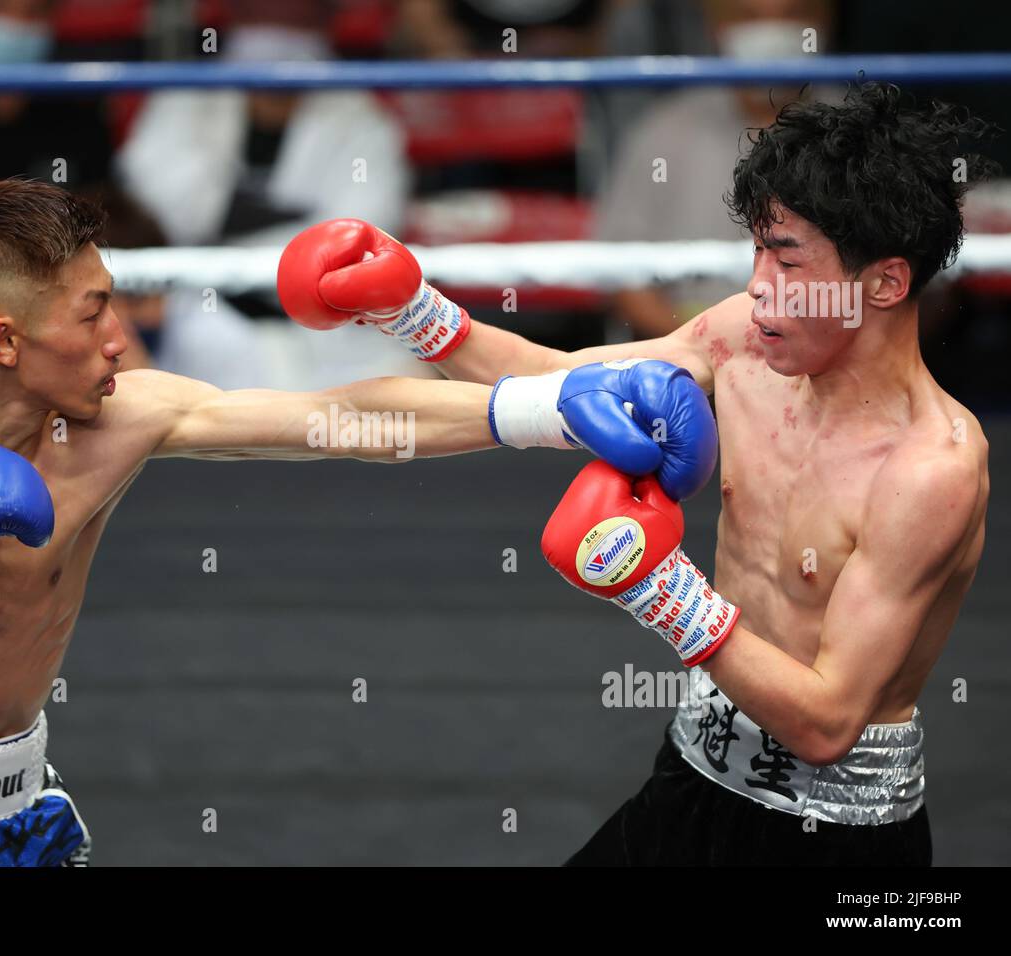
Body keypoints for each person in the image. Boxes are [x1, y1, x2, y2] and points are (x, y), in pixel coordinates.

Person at [0, 178, 716, 866]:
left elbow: (337, 424)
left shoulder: (121, 419)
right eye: (91, 314)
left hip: (6, 815)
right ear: (3, 338)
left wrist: (551, 407)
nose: (123, 335)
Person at [280, 83, 992, 865]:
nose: (758, 285)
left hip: (834, 840)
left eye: (787, 261)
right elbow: (566, 379)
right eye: (757, 250)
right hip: (692, 777)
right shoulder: (748, 340)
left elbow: (827, 723)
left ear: (885, 283)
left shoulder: (932, 469)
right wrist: (414, 309)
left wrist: (659, 587)